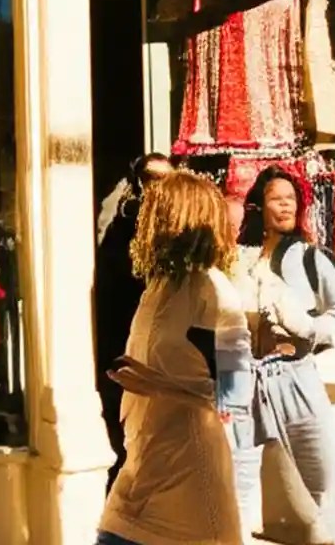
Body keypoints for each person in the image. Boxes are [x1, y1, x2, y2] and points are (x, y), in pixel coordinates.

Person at [97, 169, 245, 545]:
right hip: (145, 455)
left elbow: (236, 390)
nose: (148, 219)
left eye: (158, 211)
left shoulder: (214, 291)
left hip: (188, 465)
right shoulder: (159, 286)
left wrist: (176, 388)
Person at [234, 166, 335, 545]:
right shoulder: (235, 258)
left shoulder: (312, 258)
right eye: (277, 198)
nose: (286, 205)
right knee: (240, 485)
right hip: (244, 381)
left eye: (291, 198)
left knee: (324, 476)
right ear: (258, 206)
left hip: (296, 378)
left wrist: (307, 327)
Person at [94, 152, 173, 489]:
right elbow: (115, 292)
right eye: (152, 179)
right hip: (128, 348)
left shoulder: (182, 230)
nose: (160, 188)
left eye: (167, 180)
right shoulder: (124, 228)